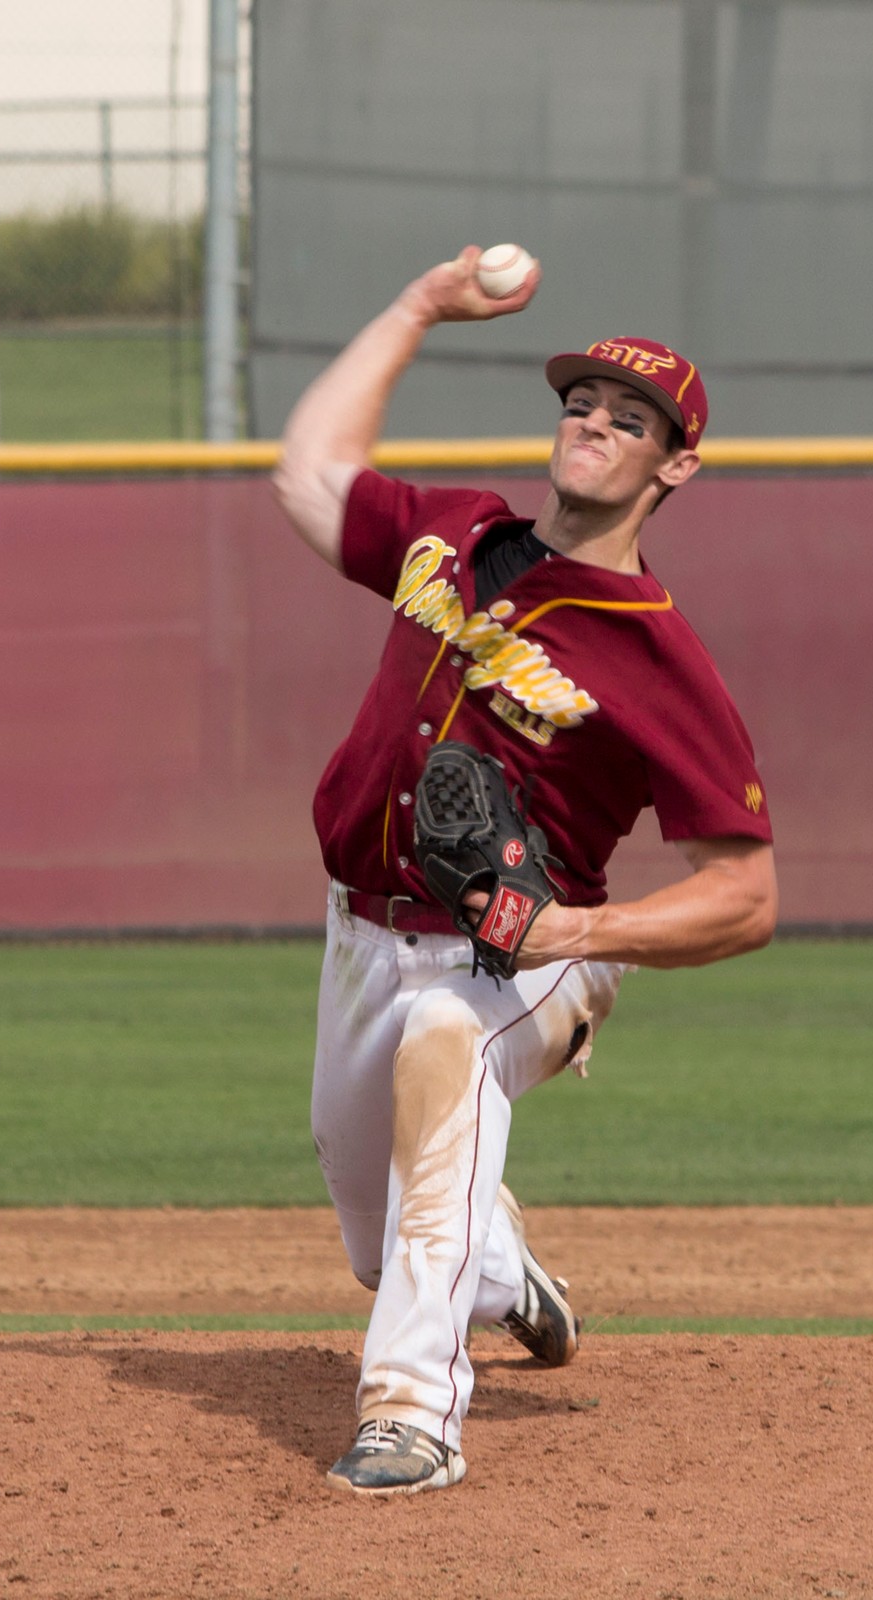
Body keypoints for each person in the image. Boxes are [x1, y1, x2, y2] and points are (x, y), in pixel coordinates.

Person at [273, 246, 778, 1498]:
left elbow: (745, 892)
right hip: (360, 931)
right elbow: (309, 475)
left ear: (676, 465)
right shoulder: (453, 532)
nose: (595, 421)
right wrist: (418, 307)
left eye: (633, 418)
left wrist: (570, 935)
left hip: (521, 957)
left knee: (447, 1037)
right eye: (581, 403)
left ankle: (412, 1415)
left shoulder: (661, 657)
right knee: (376, 1226)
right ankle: (504, 1276)